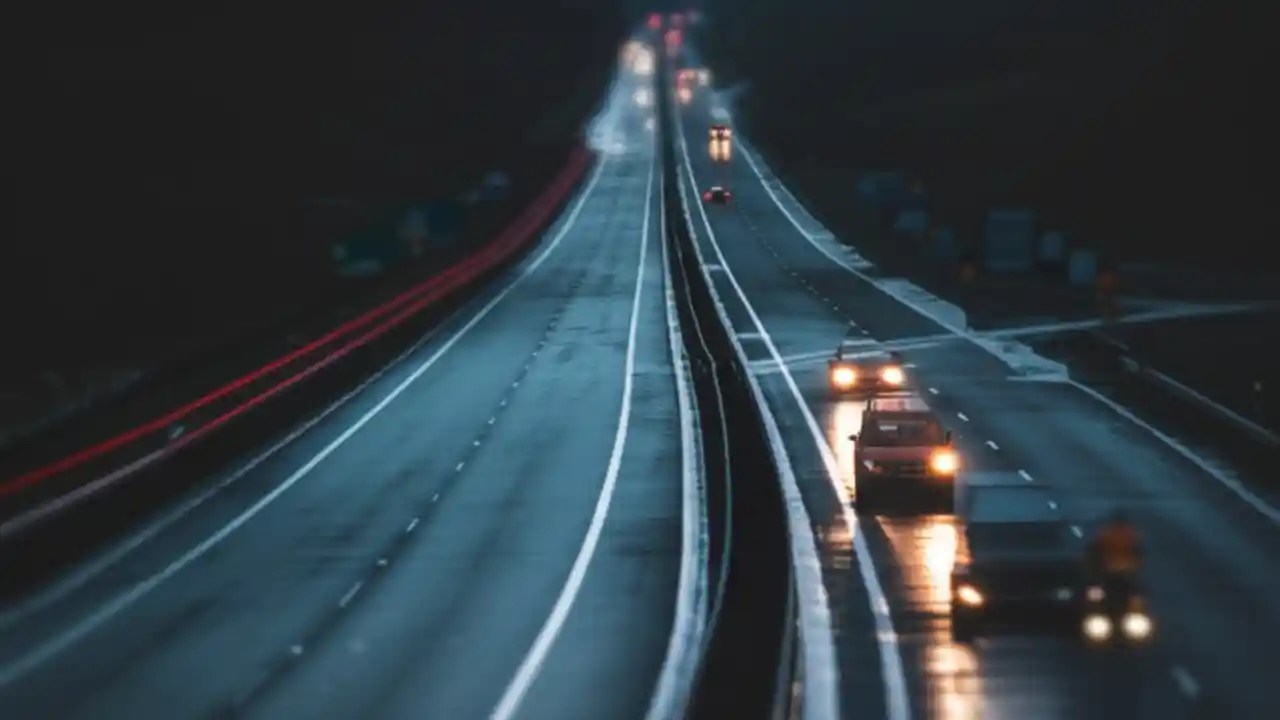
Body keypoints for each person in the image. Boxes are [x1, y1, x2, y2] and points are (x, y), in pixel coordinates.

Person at [1087, 509, 1142, 596]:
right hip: (1113, 573)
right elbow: (1138, 551)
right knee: (1095, 593)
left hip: (1115, 573)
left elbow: (1138, 551)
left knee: (1136, 594)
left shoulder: (1106, 533)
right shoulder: (1130, 534)